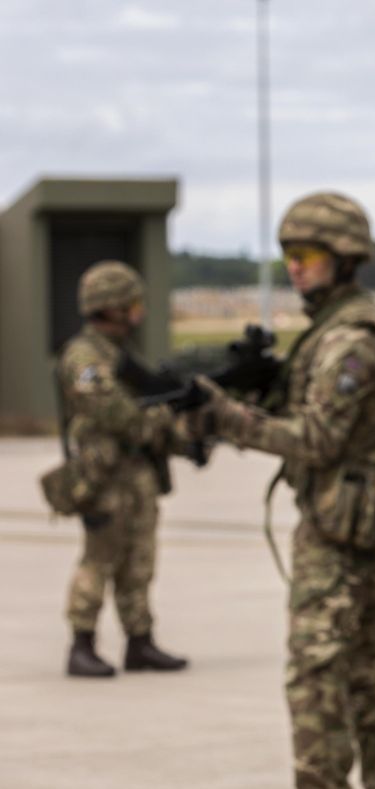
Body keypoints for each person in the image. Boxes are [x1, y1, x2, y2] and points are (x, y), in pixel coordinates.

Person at [192, 192, 375, 789]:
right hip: (341, 518)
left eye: (308, 252)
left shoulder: (353, 338)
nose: (294, 265)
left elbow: (319, 439)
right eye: (288, 254)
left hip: (340, 527)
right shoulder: (333, 330)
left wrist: (224, 415)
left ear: (344, 257)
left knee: (316, 675)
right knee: (370, 667)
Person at [56, 260, 189, 677]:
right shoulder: (85, 356)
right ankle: (81, 644)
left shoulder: (118, 355)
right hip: (104, 476)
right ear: (110, 306)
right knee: (100, 559)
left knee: (140, 561)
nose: (138, 310)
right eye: (131, 302)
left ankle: (140, 642)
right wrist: (160, 421)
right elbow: (113, 411)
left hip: (135, 473)